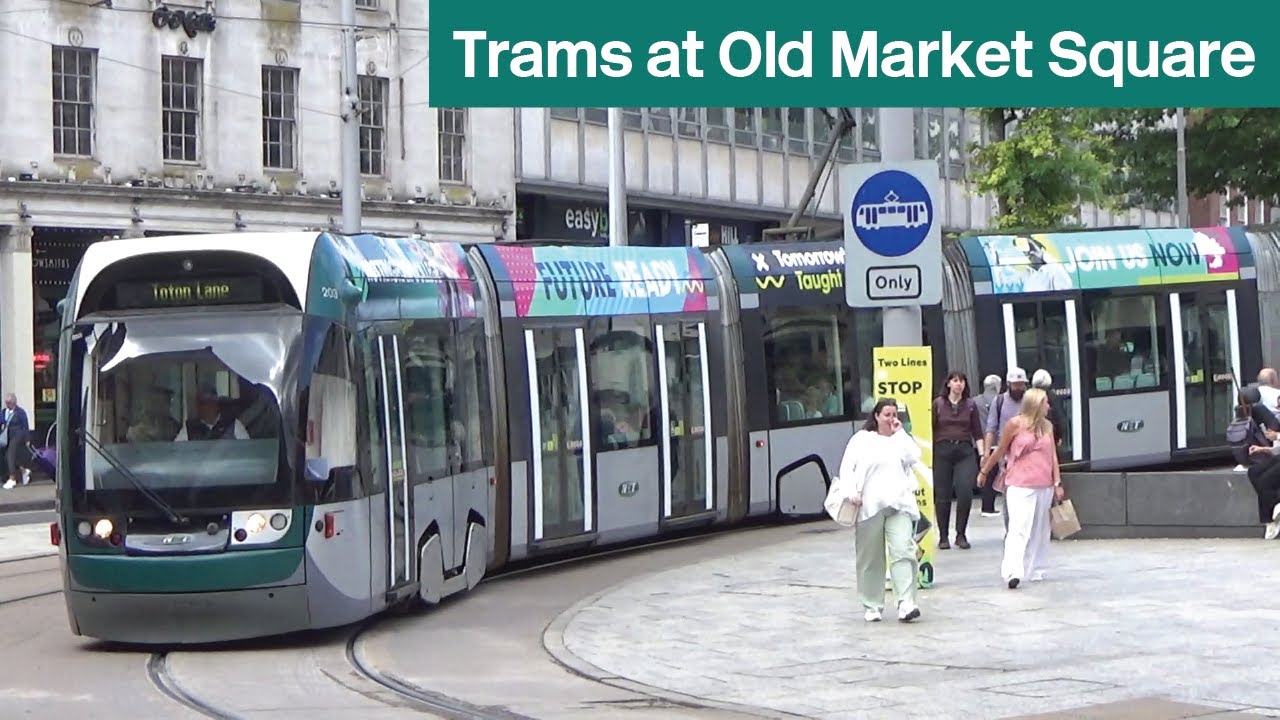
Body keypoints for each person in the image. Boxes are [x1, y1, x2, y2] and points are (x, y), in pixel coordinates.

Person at [836, 398, 923, 623]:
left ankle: (906, 602)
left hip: (899, 505)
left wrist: (901, 433)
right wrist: (851, 492)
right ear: (876, 416)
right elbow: (847, 468)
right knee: (870, 557)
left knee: (903, 550)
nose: (891, 419)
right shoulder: (861, 440)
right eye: (887, 414)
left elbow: (914, 457)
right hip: (869, 506)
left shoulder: (900, 439)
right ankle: (872, 603)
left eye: (894, 414)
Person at [977, 388, 1064, 589]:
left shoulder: (1047, 427)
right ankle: (1012, 571)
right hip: (1019, 483)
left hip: (1044, 483)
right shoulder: (1014, 425)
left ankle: (1037, 568)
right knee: (1018, 527)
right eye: (1045, 403)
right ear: (1035, 404)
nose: (1048, 407)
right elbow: (1000, 450)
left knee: (1041, 529)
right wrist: (984, 470)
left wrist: (1057, 482)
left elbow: (1052, 456)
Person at [932, 372, 984, 550]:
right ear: (948, 384)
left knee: (964, 491)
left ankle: (961, 534)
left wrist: (983, 455)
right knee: (942, 494)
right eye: (955, 381)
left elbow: (977, 432)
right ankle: (943, 535)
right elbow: (931, 429)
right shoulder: (938, 404)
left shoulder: (970, 405)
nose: (958, 384)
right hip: (942, 450)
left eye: (961, 381)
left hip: (964, 450)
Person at [982, 368, 1028, 519]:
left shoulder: (1029, 401)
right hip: (1007, 455)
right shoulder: (1000, 401)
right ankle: (1011, 528)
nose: (1018, 388)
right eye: (1015, 385)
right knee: (1010, 492)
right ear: (1008, 384)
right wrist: (987, 453)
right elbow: (991, 428)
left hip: (1028, 452)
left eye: (1021, 384)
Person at [174, 389, 249, 441]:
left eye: (210, 403)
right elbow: (177, 450)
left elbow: (246, 449)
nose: (207, 408)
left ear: (216, 405)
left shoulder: (233, 424)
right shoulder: (189, 428)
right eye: (203, 403)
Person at [1, 394, 31, 490]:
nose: (7, 404)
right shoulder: (4, 412)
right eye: (6, 403)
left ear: (14, 403)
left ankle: (12, 478)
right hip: (8, 436)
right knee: (8, 456)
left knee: (10, 454)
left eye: (9, 403)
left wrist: (27, 439)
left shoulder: (20, 412)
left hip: (18, 435)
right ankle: (24, 470)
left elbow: (25, 426)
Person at [1031, 369, 1065, 446]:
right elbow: (1058, 417)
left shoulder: (1029, 397)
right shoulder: (1052, 396)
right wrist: (1059, 436)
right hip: (1050, 436)